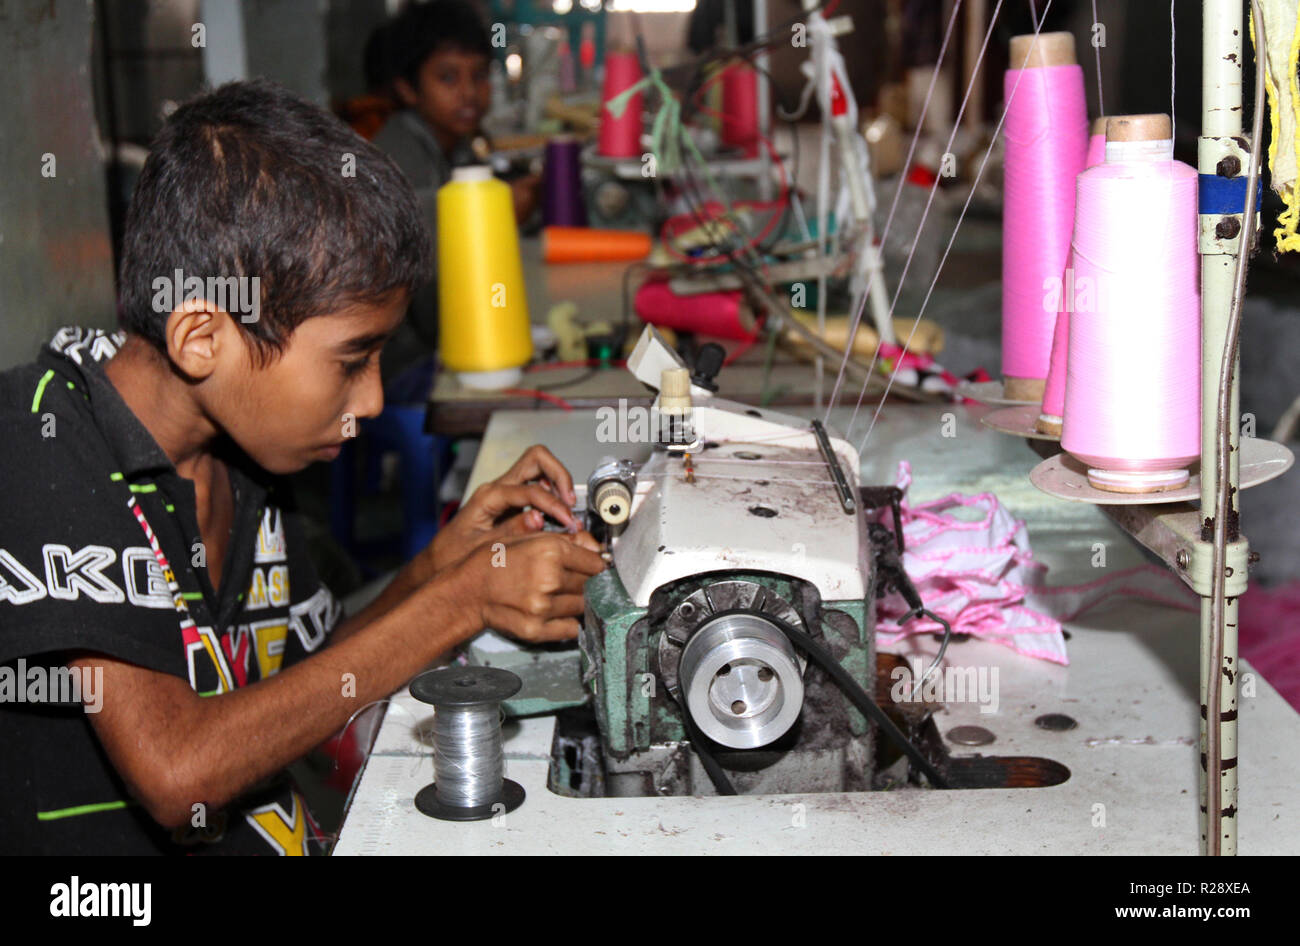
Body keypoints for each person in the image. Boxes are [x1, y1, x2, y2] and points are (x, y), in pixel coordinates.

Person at [0, 80, 604, 855]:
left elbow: (313, 689)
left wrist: (441, 568)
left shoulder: (245, 463)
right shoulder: (41, 443)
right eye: (351, 360)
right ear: (201, 339)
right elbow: (180, 771)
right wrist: (459, 605)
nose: (376, 399)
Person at [369, 0, 541, 396]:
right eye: (447, 78)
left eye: (479, 76)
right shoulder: (402, 159)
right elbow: (425, 275)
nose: (469, 93)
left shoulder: (458, 149)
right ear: (407, 88)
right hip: (402, 360)